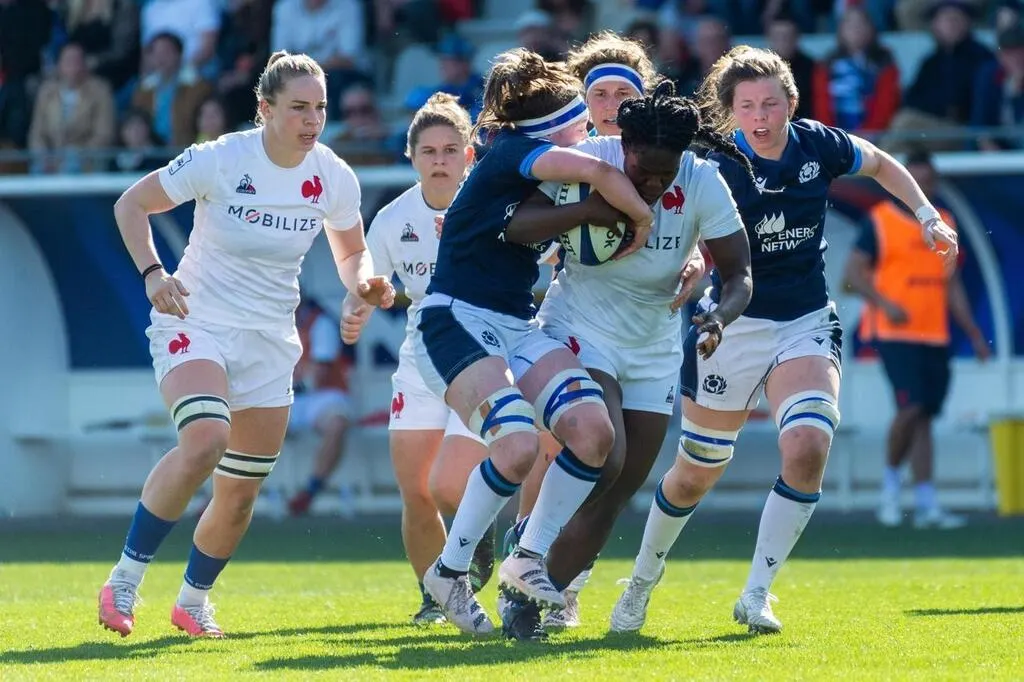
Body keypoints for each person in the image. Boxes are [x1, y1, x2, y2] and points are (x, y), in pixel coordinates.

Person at [611, 45, 958, 635]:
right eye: (747, 106)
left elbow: (878, 163)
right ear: (731, 113)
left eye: (771, 102)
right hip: (729, 326)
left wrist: (926, 215)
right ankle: (641, 582)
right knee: (696, 472)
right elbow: (681, 234)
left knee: (807, 446)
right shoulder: (709, 168)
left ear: (790, 103)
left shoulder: (818, 145)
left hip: (803, 320)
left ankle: (757, 594)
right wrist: (692, 270)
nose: (761, 115)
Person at [97, 50, 395, 639]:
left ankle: (193, 602)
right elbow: (131, 204)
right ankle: (124, 580)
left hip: (270, 340)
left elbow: (349, 251)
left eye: (321, 109)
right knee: (206, 437)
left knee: (238, 493)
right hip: (196, 321)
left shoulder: (333, 174)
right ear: (265, 109)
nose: (313, 121)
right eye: (299, 108)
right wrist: (154, 274)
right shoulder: (222, 157)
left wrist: (364, 283)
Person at [500, 80, 754, 640]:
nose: (656, 185)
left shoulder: (703, 182)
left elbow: (739, 273)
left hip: (656, 345)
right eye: (645, 173)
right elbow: (516, 223)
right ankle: (525, 555)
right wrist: (588, 209)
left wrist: (717, 316)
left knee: (617, 491)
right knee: (604, 451)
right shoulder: (591, 163)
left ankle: (531, 599)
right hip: (579, 329)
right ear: (625, 147)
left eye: (667, 175)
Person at [412, 48, 654, 635]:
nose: (588, 136)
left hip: (518, 325)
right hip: (457, 320)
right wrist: (643, 220)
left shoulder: (527, 166)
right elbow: (598, 175)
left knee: (593, 434)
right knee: (518, 448)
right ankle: (448, 572)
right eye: (579, 125)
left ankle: (526, 558)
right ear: (555, 129)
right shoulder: (520, 152)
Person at [340, 93, 514, 625]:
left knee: (449, 484)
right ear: (412, 157)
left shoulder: (493, 207)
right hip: (421, 362)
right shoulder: (394, 218)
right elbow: (370, 284)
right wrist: (360, 307)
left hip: (483, 356)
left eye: (450, 149)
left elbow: (545, 267)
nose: (439, 160)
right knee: (416, 491)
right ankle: (433, 597)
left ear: (469, 156)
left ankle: (477, 538)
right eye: (428, 151)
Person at [843, 148, 989, 529]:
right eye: (915, 182)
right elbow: (853, 274)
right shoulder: (881, 221)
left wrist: (973, 333)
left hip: (934, 333)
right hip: (894, 332)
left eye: (926, 182)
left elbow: (952, 284)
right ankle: (889, 490)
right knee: (909, 410)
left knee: (924, 416)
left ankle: (927, 502)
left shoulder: (944, 222)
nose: (921, 188)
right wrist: (885, 304)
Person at [285, 296, 354, 517]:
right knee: (245, 424)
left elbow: (317, 376)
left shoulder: (320, 323)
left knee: (337, 424)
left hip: (321, 396)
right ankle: (218, 497)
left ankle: (310, 490)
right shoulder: (265, 324)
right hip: (286, 396)